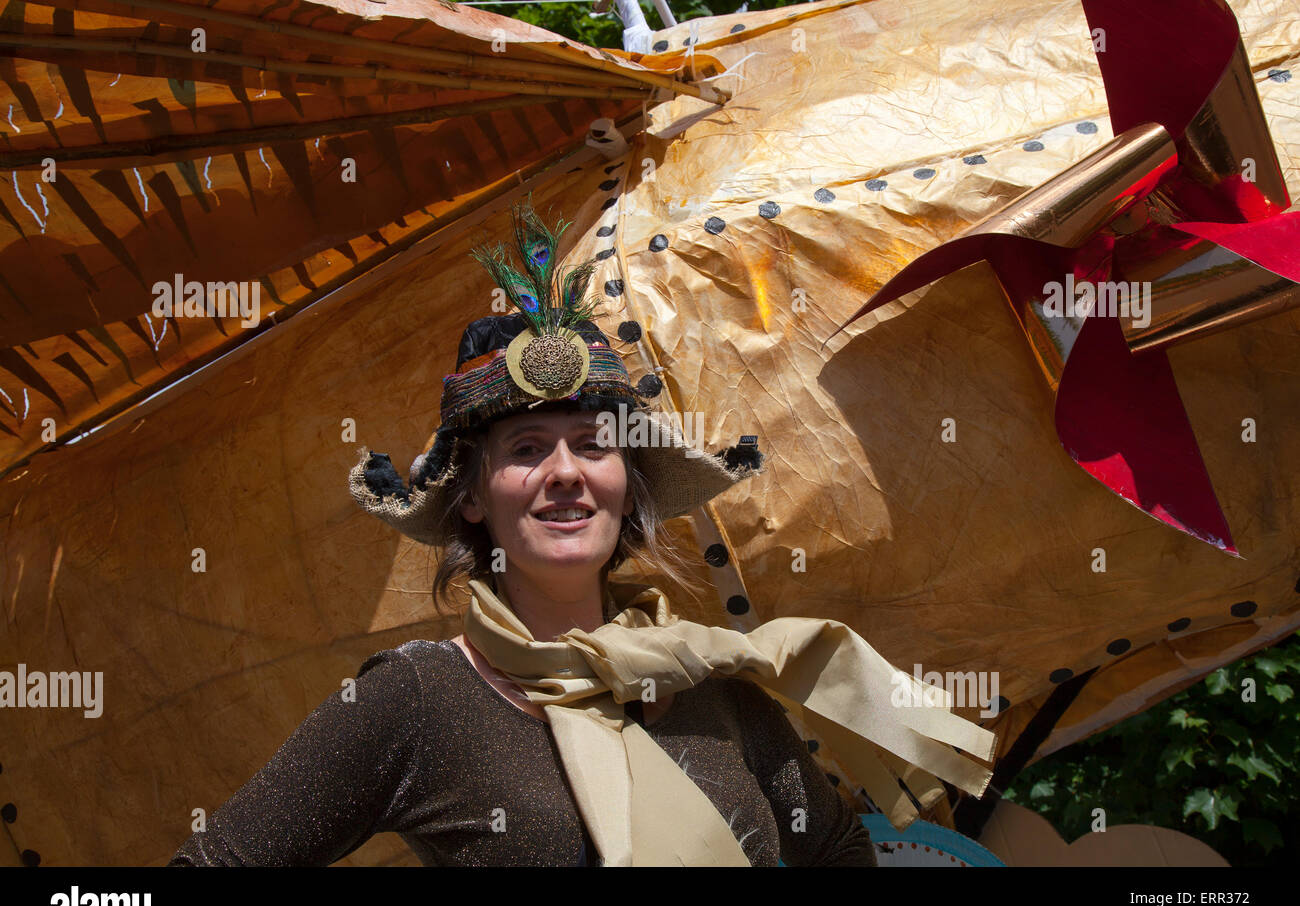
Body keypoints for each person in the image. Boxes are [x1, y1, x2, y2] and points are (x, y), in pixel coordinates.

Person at [169, 198, 994, 867]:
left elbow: (836, 850)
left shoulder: (713, 681)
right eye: (526, 451)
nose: (565, 471)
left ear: (624, 483)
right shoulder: (416, 700)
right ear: (472, 499)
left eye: (593, 445)